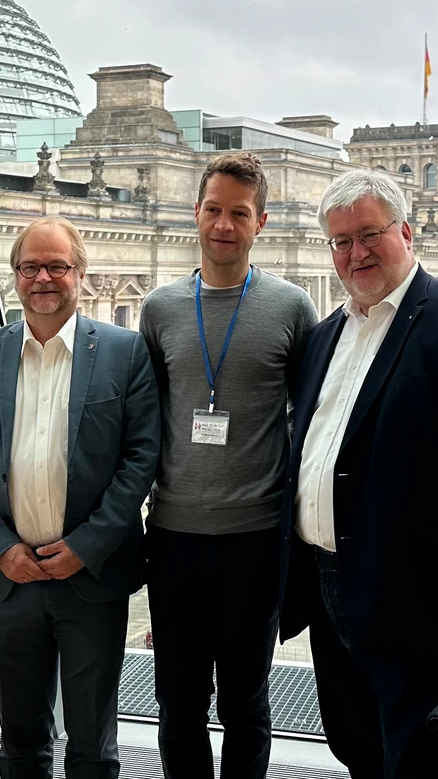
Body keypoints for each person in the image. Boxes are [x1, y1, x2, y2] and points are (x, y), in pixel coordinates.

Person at [280, 168, 438, 778]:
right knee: (358, 743)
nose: (356, 252)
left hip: (428, 595)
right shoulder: (324, 336)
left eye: (369, 234)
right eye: (341, 242)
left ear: (406, 231)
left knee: (430, 755)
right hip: (331, 587)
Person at [0, 216, 160, 779]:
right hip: (12, 580)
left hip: (90, 578)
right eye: (31, 266)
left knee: (92, 747)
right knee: (19, 743)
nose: (43, 277)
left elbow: (141, 459)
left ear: (79, 274)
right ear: (14, 276)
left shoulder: (124, 352)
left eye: (57, 266)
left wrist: (87, 545)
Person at [138, 152, 317, 778]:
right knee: (177, 701)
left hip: (256, 540)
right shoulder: (159, 308)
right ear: (196, 213)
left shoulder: (292, 307)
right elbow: (146, 418)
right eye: (213, 210)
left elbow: (308, 420)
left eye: (239, 213)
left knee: (247, 701)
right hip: (174, 537)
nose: (223, 224)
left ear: (260, 222)